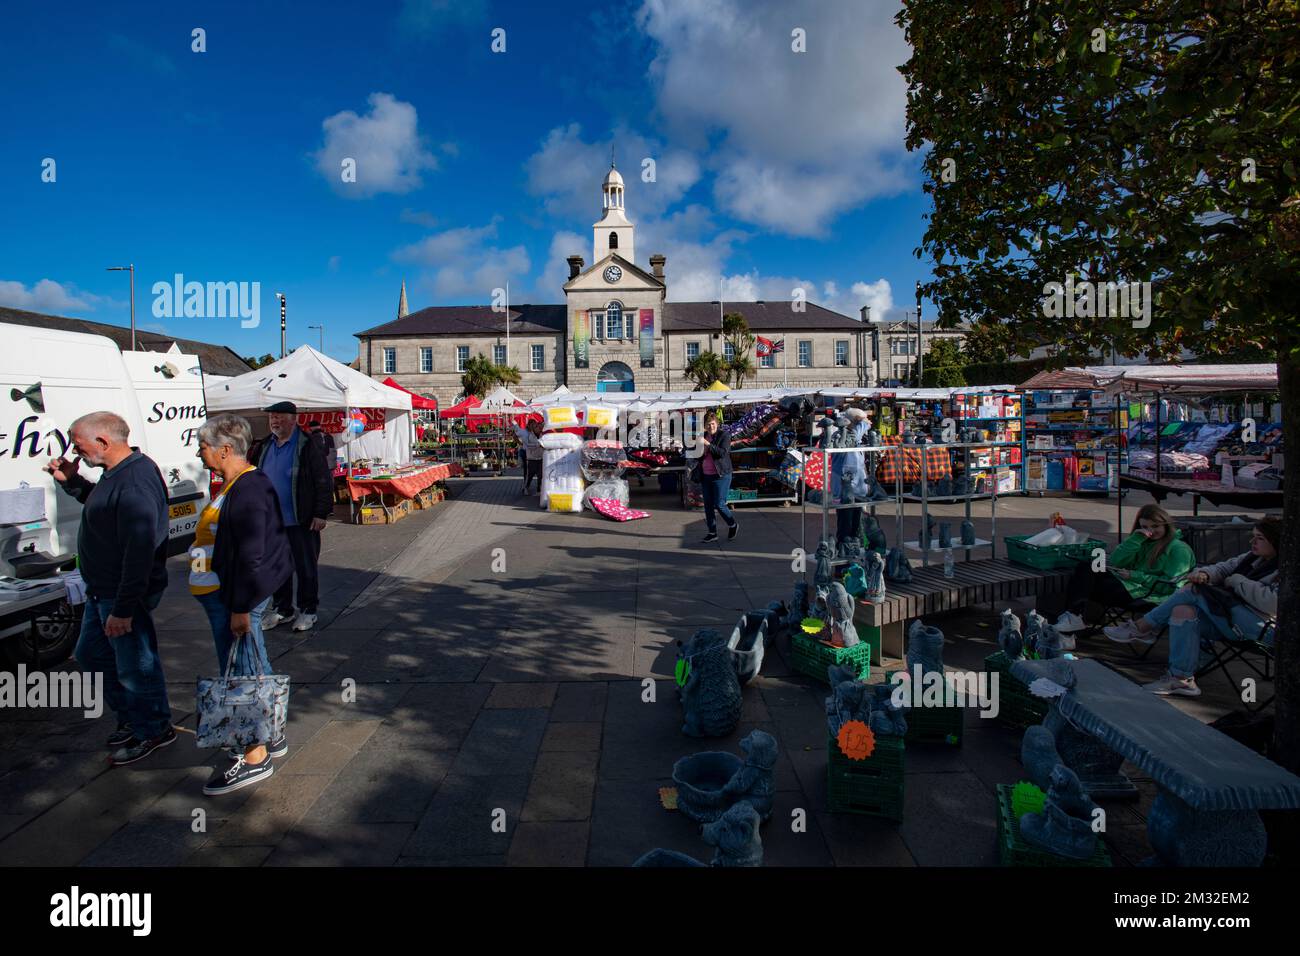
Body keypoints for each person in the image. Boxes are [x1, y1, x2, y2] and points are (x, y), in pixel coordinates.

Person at [45, 412, 174, 766]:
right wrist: (72, 482)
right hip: (103, 591)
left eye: (78, 442)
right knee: (91, 655)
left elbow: (140, 549)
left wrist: (124, 607)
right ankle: (135, 718)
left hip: (119, 594)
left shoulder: (134, 480)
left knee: (136, 665)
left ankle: (154, 728)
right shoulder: (115, 474)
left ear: (103, 441)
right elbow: (104, 508)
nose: (75, 450)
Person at [193, 414, 294, 794]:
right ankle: (271, 734)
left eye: (203, 447)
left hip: (237, 596)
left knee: (241, 676)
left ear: (224, 449)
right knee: (253, 666)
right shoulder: (238, 484)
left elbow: (251, 553)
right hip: (232, 593)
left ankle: (254, 756)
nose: (199, 453)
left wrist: (239, 606)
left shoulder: (248, 488)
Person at [1105, 518, 1279, 697]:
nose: (1252, 541)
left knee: (1194, 590)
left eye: (1260, 538)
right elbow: (1222, 568)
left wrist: (1238, 581)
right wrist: (1204, 573)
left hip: (1263, 628)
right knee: (1182, 611)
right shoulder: (1251, 557)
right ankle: (1181, 679)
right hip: (1230, 618)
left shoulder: (1286, 568)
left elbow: (1273, 603)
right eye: (1253, 536)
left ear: (1275, 541)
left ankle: (1143, 626)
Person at [248, 401, 332, 633]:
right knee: (276, 567)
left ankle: (308, 610)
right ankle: (282, 609)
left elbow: (323, 479)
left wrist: (320, 512)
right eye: (272, 417)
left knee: (306, 567)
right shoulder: (265, 445)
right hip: (271, 521)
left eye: (280, 417)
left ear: (293, 419)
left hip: (301, 518)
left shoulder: (307, 445)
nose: (274, 421)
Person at [1052, 504, 1194, 639]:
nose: (1150, 530)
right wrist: (1136, 538)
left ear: (1166, 525)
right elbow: (1117, 561)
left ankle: (1073, 617)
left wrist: (1135, 576)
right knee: (1088, 568)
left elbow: (1170, 586)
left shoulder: (1178, 549)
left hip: (1149, 595)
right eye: (1145, 526)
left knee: (1085, 579)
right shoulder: (1143, 539)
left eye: (1155, 526)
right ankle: (1074, 616)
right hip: (1131, 586)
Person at [693, 411, 738, 543]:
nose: (710, 427)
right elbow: (698, 456)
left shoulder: (724, 435)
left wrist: (707, 445)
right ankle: (712, 532)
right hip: (706, 475)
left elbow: (723, 453)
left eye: (712, 424)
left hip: (721, 475)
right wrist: (701, 450)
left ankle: (732, 524)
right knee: (707, 505)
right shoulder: (703, 436)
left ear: (717, 424)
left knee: (719, 504)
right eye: (708, 425)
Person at [512, 419, 544, 494]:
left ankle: (538, 489)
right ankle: (525, 487)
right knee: (529, 474)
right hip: (529, 457)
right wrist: (520, 444)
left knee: (540, 475)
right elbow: (516, 437)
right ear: (529, 425)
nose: (537, 428)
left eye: (536, 426)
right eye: (534, 425)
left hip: (539, 457)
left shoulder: (541, 435)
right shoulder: (527, 434)